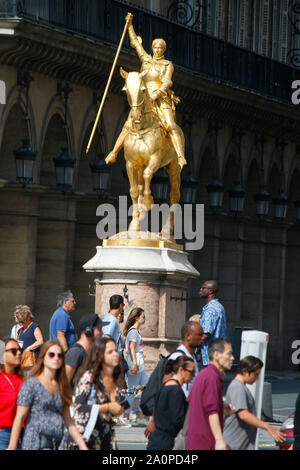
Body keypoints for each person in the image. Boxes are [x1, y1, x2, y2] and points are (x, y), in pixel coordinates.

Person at [105, 13, 186, 169]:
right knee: (128, 124)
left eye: (160, 48)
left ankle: (180, 155)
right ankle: (114, 152)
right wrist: (129, 25)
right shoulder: (146, 60)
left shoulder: (167, 64)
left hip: (160, 97)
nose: (157, 50)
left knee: (170, 124)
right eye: (155, 47)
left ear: (163, 50)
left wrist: (159, 92)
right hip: (143, 96)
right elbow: (135, 43)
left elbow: (168, 80)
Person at [8, 340, 88, 450]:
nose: (56, 358)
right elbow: (20, 417)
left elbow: (68, 421)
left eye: (60, 356)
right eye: (51, 354)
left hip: (58, 443)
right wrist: (12, 446)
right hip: (36, 443)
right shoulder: (32, 384)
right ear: (43, 357)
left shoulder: (62, 386)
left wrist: (83, 446)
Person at [144, 320, 204, 439]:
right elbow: (163, 389)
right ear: (188, 336)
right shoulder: (177, 357)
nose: (203, 337)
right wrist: (154, 421)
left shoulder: (192, 359)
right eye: (199, 335)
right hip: (172, 419)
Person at [66, 336, 125, 450]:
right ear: (100, 356)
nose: (115, 354)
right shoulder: (89, 377)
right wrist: (107, 407)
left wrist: (118, 409)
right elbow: (79, 407)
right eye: (110, 352)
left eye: (116, 350)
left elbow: (111, 413)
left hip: (105, 437)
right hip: (86, 438)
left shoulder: (116, 379)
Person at [223, 355, 285, 450]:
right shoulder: (237, 387)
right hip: (235, 443)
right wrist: (266, 426)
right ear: (245, 372)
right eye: (255, 374)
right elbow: (243, 414)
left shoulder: (241, 387)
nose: (257, 378)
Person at [186, 337, 234, 450]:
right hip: (206, 442)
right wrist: (219, 440)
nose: (232, 358)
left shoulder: (204, 374)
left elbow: (196, 401)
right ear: (216, 355)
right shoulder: (212, 377)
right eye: (229, 354)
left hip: (195, 440)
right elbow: (211, 411)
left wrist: (221, 406)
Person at [147, 355, 195, 450]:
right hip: (166, 442)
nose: (193, 376)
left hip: (156, 440)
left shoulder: (165, 385)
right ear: (181, 370)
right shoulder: (175, 391)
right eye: (191, 372)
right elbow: (178, 420)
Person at [65, 313, 108, 389]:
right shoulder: (75, 353)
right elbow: (64, 382)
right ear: (89, 331)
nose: (102, 333)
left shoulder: (90, 353)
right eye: (99, 329)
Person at [123, 307, 148, 422]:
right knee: (132, 389)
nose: (145, 318)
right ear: (137, 318)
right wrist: (134, 363)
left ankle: (139, 410)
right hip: (135, 362)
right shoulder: (133, 331)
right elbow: (131, 347)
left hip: (138, 361)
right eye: (143, 316)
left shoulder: (135, 331)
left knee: (146, 386)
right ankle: (126, 412)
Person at [0, 338, 24, 449]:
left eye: (20, 350)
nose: (19, 353)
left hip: (23, 435)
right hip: (3, 435)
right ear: (3, 354)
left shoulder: (23, 380)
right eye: (14, 351)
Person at [199, 280, 227, 366]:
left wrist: (188, 345)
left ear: (210, 291)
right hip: (217, 354)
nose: (200, 289)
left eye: (203, 288)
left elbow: (206, 334)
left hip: (207, 357)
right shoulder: (219, 306)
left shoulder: (210, 309)